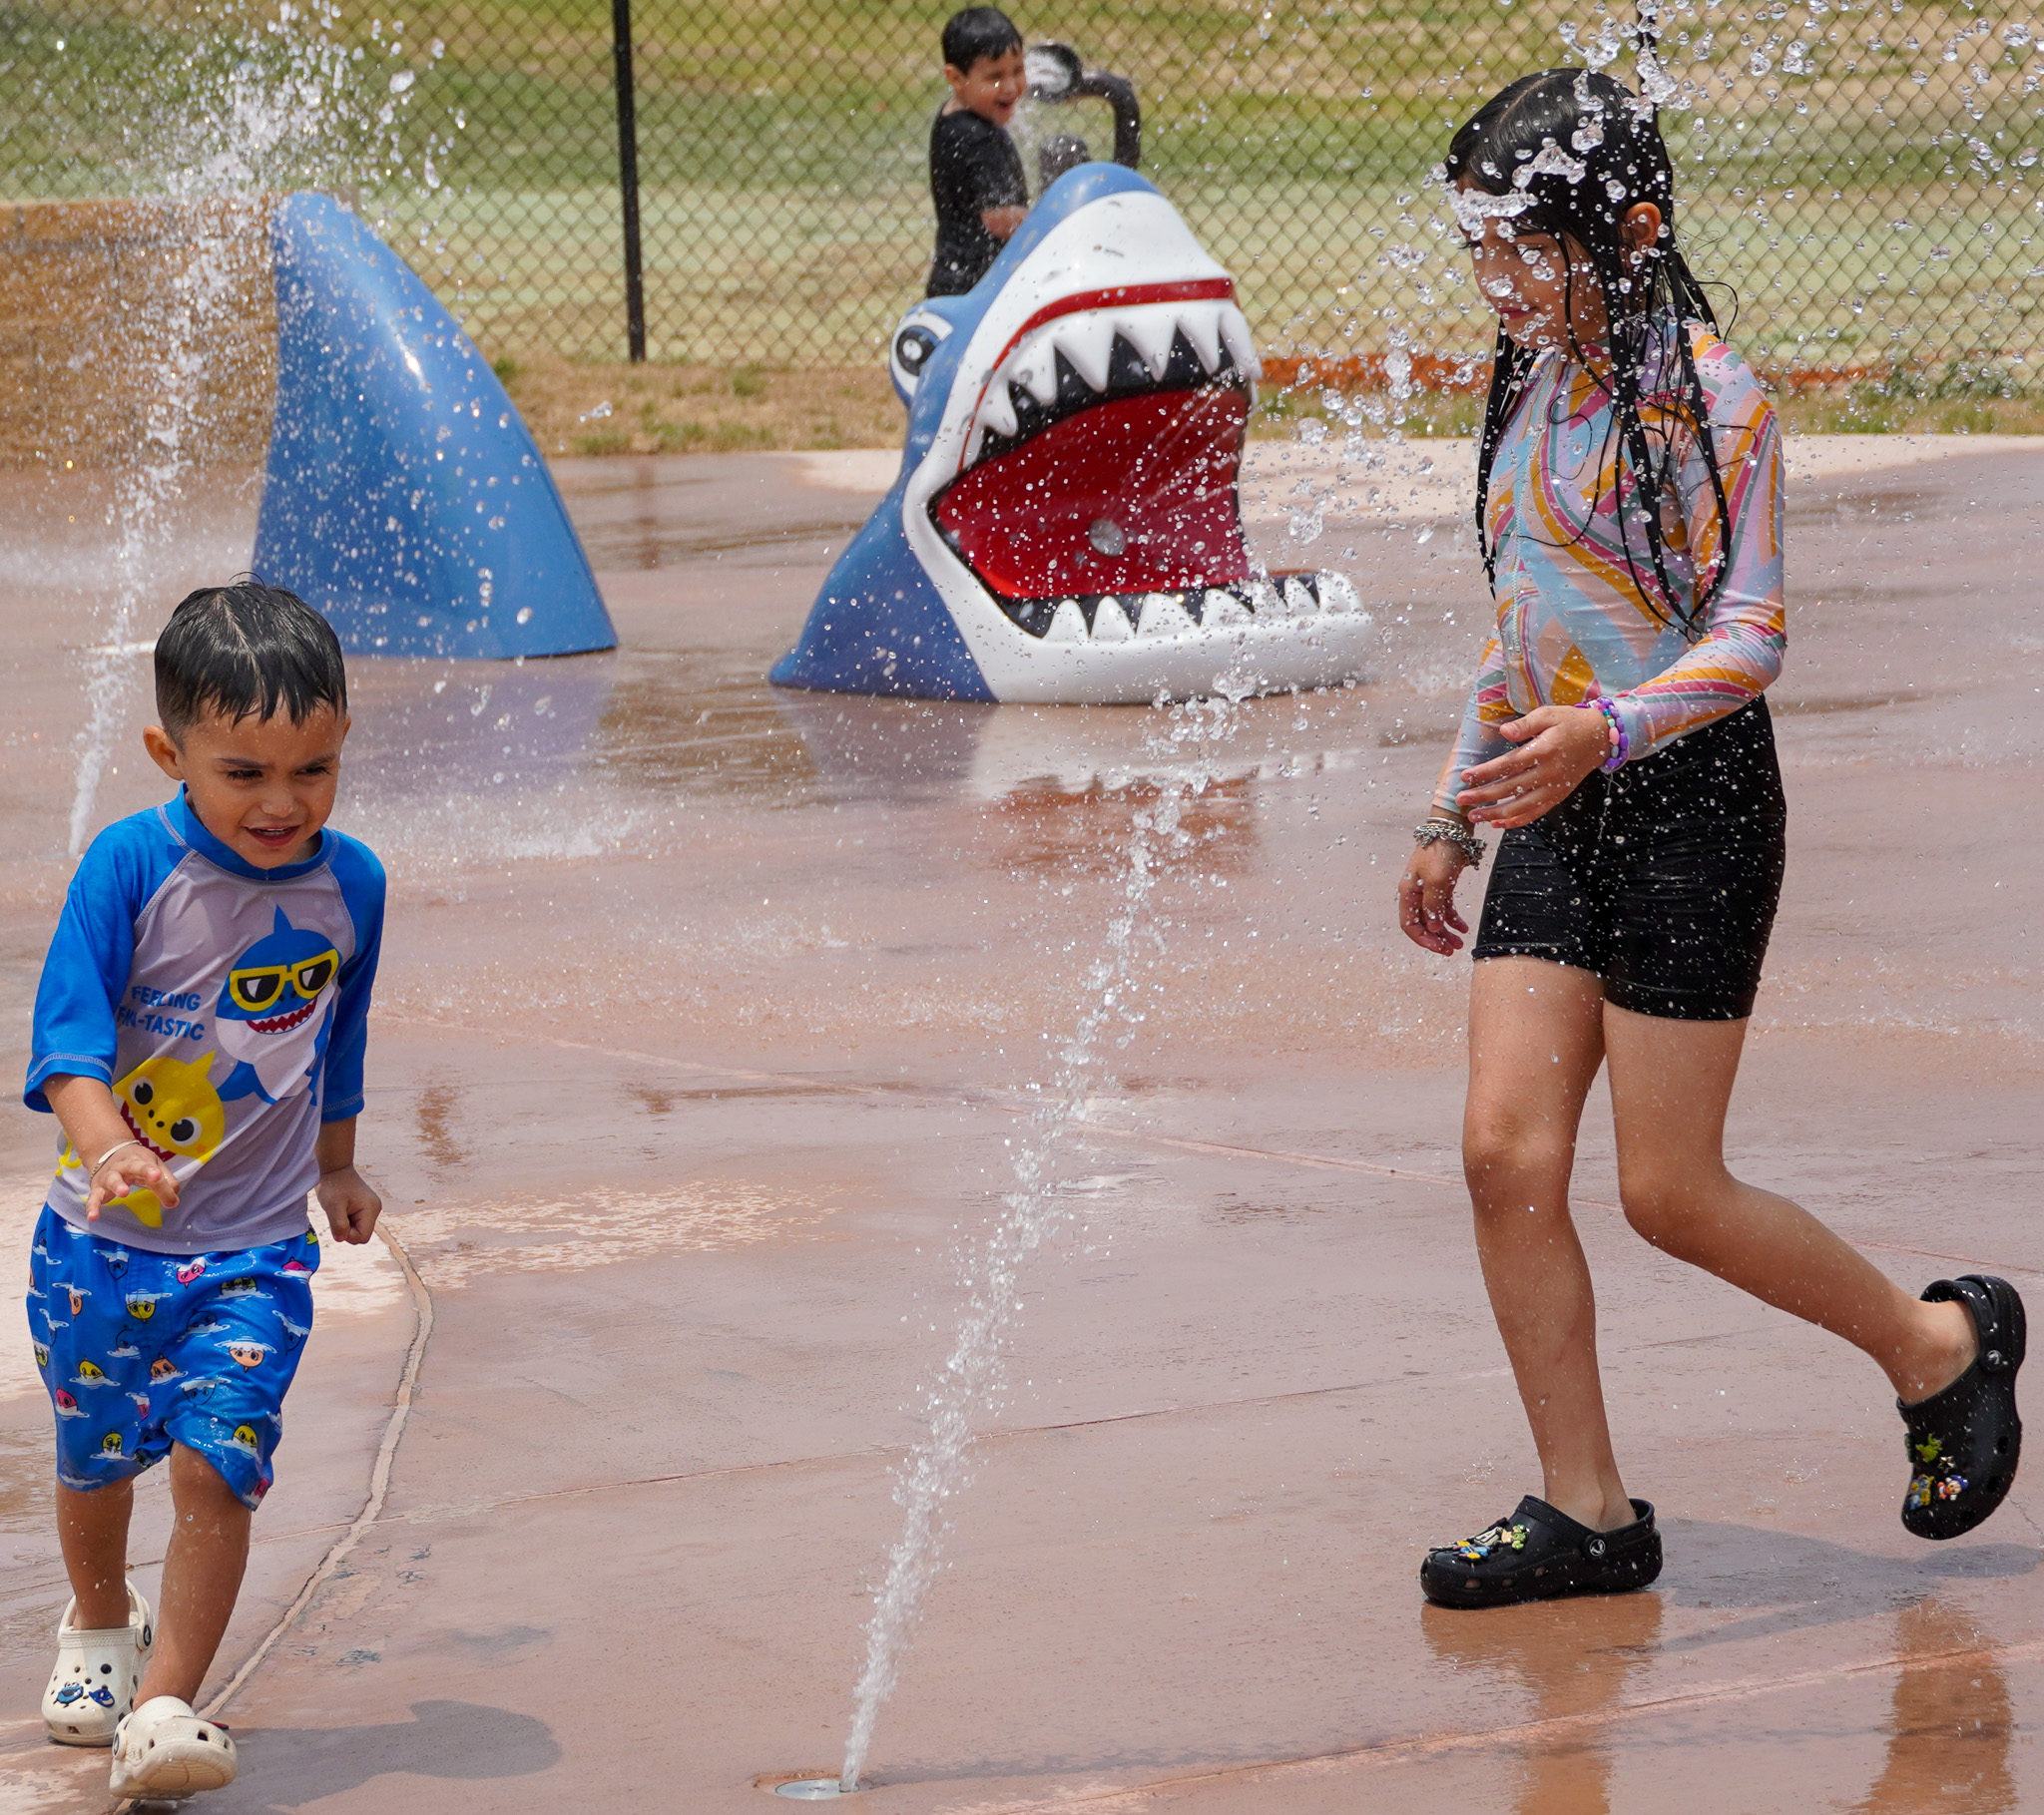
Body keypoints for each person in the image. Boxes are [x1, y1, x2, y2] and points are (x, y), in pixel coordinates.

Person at [1398, 69, 2023, 1608]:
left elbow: (1751, 637)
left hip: (1691, 800)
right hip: (1552, 792)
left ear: (1629, 229)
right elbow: (1527, 627)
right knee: (1502, 1156)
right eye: (1477, 250)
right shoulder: (1531, 386)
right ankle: (1587, 1508)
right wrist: (1447, 809)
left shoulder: (1715, 400)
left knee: (1668, 1191)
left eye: (1518, 249)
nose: (1495, 282)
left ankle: (1940, 1344)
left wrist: (1600, 733)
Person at [26, 583, 384, 1796]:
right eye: (244, 773)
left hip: (253, 1252)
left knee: (214, 1463)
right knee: (97, 1459)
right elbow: (66, 1044)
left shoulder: (355, 885)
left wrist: (335, 1162)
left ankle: (169, 1702)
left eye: (316, 769)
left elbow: (341, 1031)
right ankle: (94, 1626)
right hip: (101, 1240)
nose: (284, 803)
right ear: (168, 753)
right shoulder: (128, 865)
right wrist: (108, 1146)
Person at [927, 7, 1030, 296]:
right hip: (981, 288)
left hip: (954, 280)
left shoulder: (951, 119)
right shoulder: (980, 139)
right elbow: (998, 219)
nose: (1011, 87)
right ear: (956, 79)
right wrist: (1050, 223)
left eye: (1018, 70)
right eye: (995, 77)